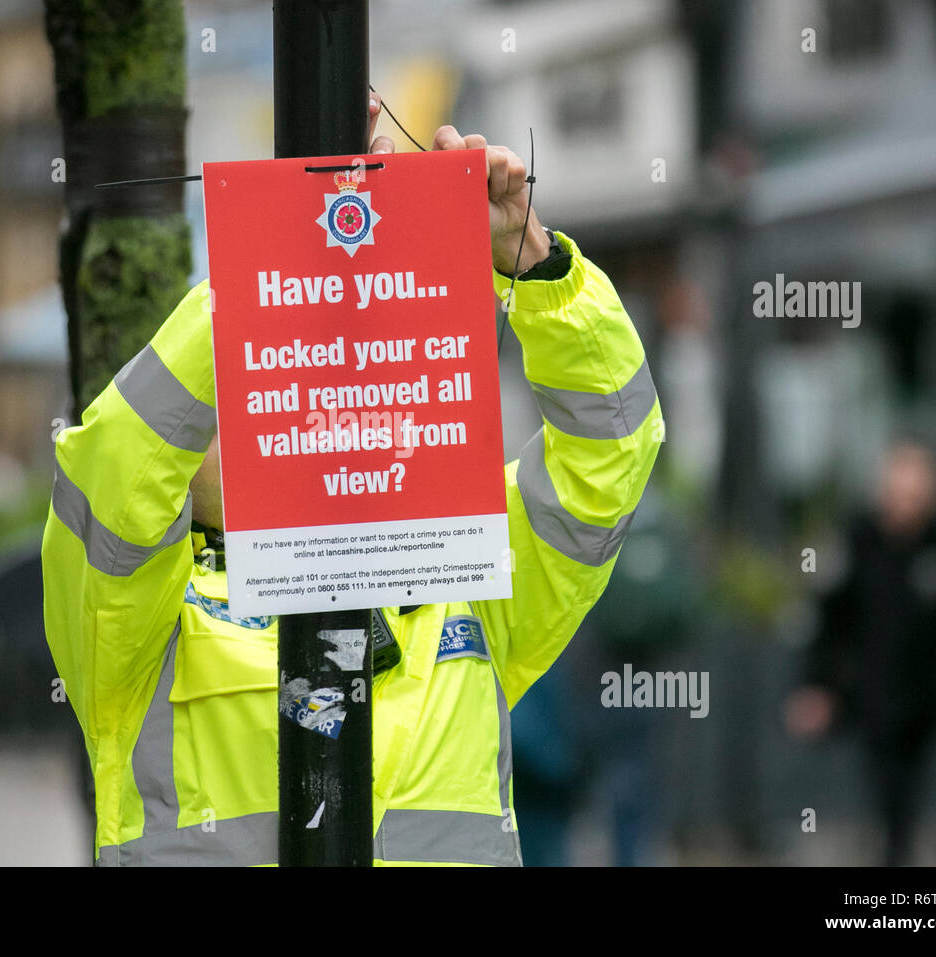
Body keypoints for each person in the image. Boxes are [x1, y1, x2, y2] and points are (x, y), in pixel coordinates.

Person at [41, 93, 664, 866]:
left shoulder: (460, 571)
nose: (287, 412)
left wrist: (536, 270)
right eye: (249, 386)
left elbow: (612, 448)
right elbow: (113, 474)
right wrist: (274, 250)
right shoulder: (139, 621)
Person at [785, 439, 936, 866]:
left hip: (922, 701)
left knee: (907, 799)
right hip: (869, 698)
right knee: (880, 793)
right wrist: (815, 685)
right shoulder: (858, 542)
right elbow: (829, 621)